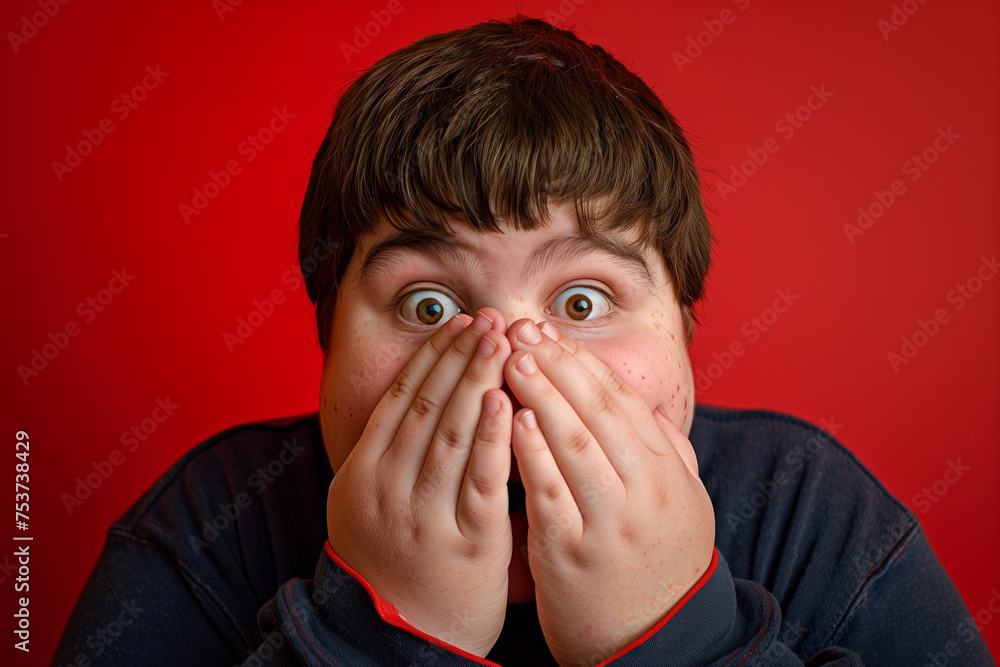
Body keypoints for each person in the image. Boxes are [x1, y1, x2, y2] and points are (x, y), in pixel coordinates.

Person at [54, 16, 993, 667]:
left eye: (583, 300)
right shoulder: (208, 531)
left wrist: (679, 636)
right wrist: (380, 635)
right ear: (327, 332)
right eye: (429, 307)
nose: (505, 372)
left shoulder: (809, 512)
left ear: (684, 326)